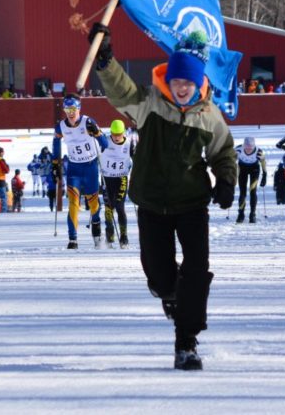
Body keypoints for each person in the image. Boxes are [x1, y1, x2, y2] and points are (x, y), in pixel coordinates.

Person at [90, 24, 237, 371]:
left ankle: (186, 342)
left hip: (192, 204)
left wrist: (227, 181)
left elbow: (224, 153)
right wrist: (106, 60)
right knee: (159, 275)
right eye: (176, 81)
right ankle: (171, 296)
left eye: (188, 82)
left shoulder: (209, 116)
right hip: (153, 203)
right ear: (167, 80)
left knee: (196, 271)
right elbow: (121, 91)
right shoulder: (150, 105)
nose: (182, 88)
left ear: (199, 82)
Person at [52, 93, 108, 250]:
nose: (70, 113)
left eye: (73, 109)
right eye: (67, 109)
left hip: (90, 167)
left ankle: (96, 230)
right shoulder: (61, 126)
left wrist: (96, 132)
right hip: (74, 168)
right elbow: (56, 142)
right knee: (73, 204)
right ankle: (73, 240)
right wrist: (55, 163)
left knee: (94, 205)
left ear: (79, 109)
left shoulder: (87, 122)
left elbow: (104, 144)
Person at [100, 119, 134, 247]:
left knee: (120, 206)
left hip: (121, 178)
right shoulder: (105, 142)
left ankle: (124, 236)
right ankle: (110, 233)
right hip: (107, 178)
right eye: (114, 134)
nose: (117, 137)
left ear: (123, 132)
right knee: (109, 207)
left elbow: (136, 158)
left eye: (119, 134)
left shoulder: (129, 143)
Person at [235, 137, 266, 223]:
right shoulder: (238, 149)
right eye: (247, 148)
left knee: (253, 191)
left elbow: (263, 162)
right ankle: (241, 214)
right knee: (242, 192)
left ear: (254, 147)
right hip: (242, 169)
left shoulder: (259, 151)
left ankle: (252, 214)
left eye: (250, 148)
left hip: (254, 169)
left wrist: (265, 175)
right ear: (244, 146)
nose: (248, 150)